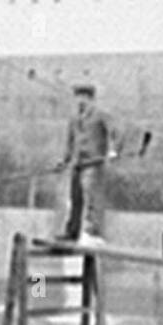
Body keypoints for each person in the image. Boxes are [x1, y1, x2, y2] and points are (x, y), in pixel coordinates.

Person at [55, 81, 114, 243]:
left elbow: (113, 130)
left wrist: (112, 150)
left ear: (90, 98)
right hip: (77, 163)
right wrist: (64, 160)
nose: (80, 101)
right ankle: (72, 231)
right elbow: (70, 141)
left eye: (83, 98)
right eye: (78, 97)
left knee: (91, 197)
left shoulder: (100, 114)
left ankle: (92, 231)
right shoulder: (74, 118)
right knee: (75, 197)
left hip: (93, 162)